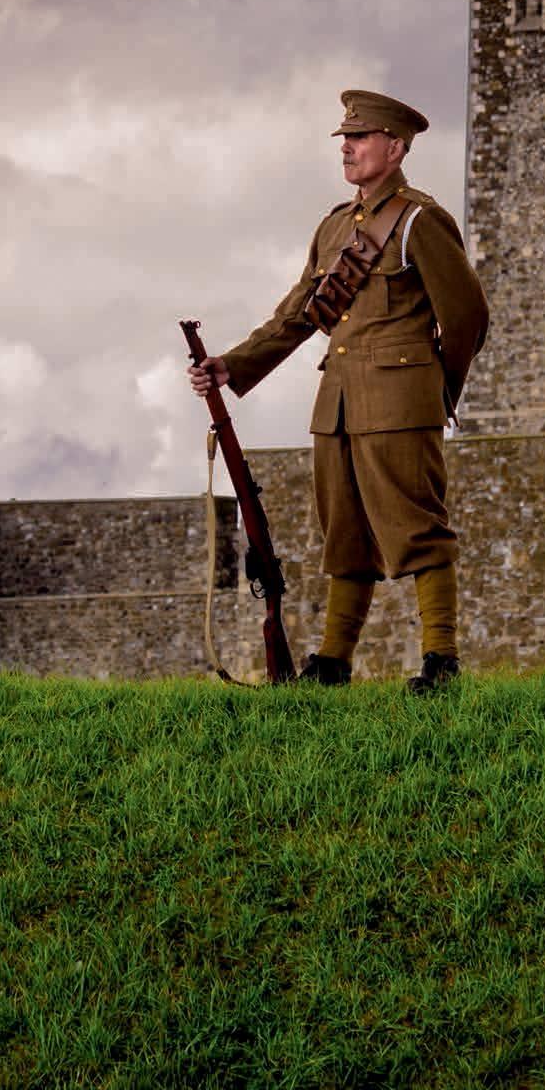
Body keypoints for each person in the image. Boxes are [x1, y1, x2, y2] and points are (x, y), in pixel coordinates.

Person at [188, 88, 488, 691]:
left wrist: (434, 390)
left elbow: (467, 319)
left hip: (401, 402)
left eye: (360, 138)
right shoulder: (334, 228)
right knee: (344, 535)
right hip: (339, 404)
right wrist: (234, 366)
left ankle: (441, 659)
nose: (347, 148)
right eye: (344, 139)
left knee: (418, 530)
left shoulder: (419, 221)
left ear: (395, 147)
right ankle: (331, 662)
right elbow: (297, 314)